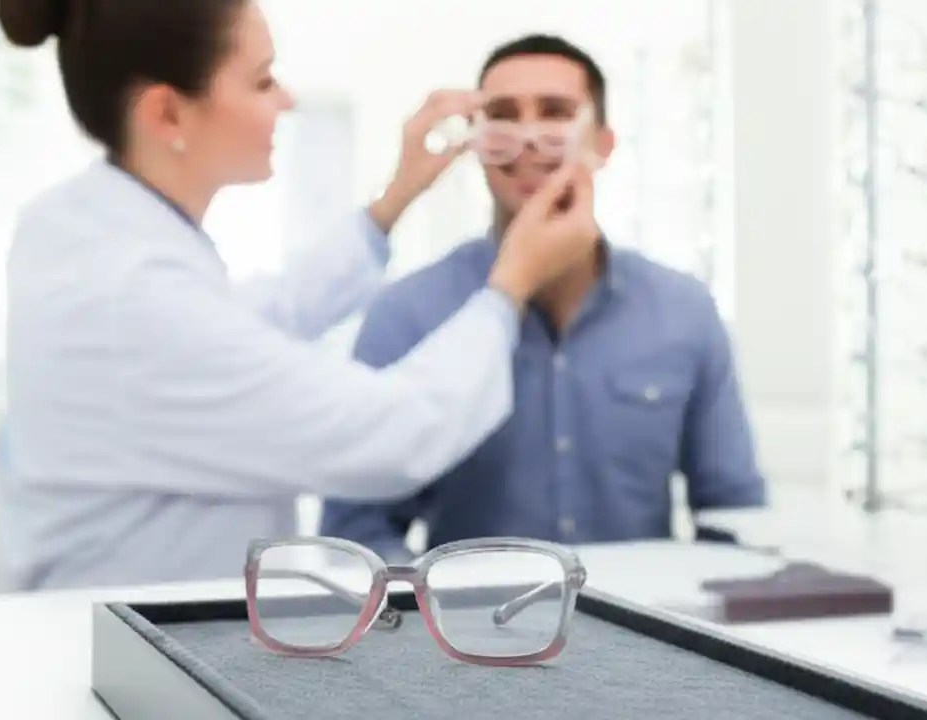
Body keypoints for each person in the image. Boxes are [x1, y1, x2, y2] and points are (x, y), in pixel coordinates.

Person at [0, 1, 599, 590]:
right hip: (125, 624)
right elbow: (393, 435)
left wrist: (394, 200)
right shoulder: (131, 294)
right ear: (168, 115)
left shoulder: (93, 235)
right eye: (262, 81)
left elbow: (257, 316)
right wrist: (510, 286)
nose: (287, 100)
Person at [320, 35, 764, 562]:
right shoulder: (408, 313)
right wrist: (430, 607)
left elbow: (735, 518)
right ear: (475, 142)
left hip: (646, 613)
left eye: (555, 112)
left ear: (604, 144)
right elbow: (357, 529)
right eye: (503, 116)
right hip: (463, 617)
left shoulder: (684, 312)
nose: (528, 138)